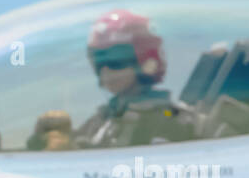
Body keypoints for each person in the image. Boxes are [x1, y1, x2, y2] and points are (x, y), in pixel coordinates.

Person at [71, 8, 197, 148]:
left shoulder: (167, 113)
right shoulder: (102, 120)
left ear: (146, 60)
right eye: (99, 64)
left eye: (116, 61)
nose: (106, 72)